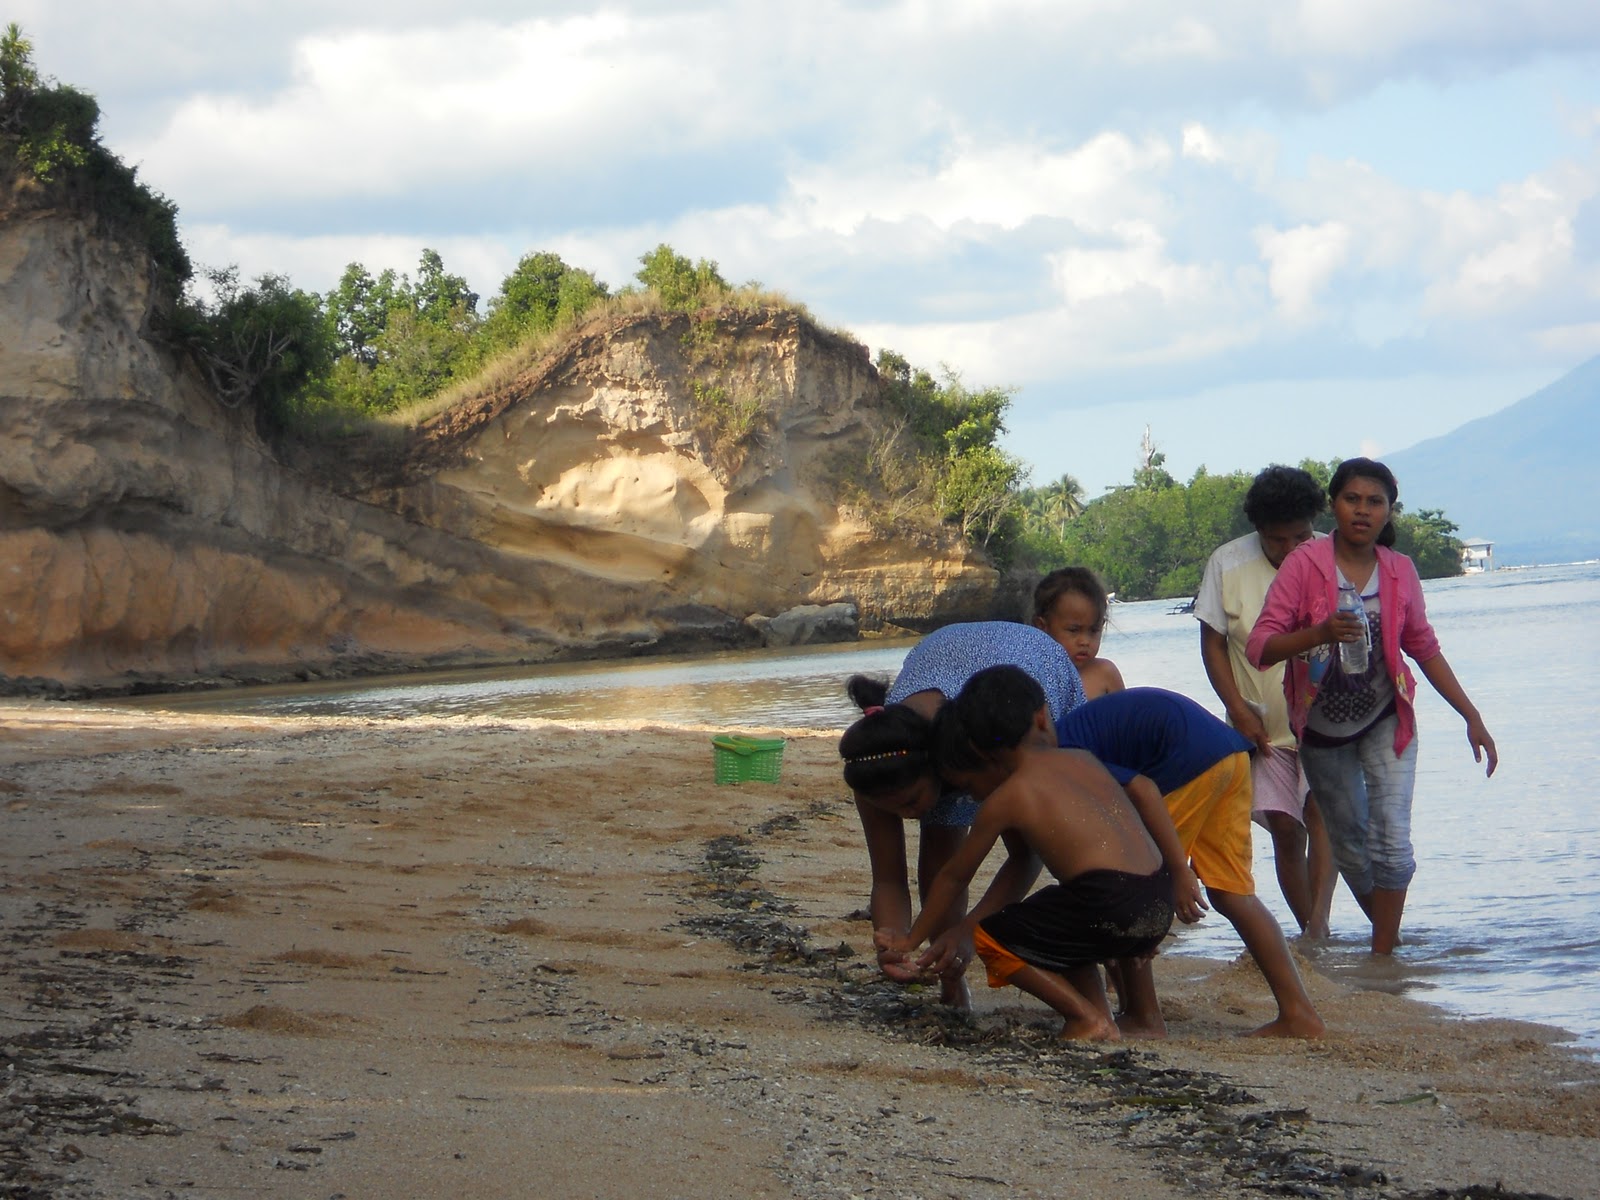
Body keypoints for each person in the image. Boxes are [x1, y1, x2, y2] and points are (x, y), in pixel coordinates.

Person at [1247, 457, 1497, 955]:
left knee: (1393, 840)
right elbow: (1260, 647)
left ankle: (1383, 956)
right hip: (1320, 730)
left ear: (1389, 511)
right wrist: (1318, 634)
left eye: (1375, 502)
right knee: (1351, 848)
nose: (1362, 511)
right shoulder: (1305, 564)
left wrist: (1472, 716)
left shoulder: (1400, 571)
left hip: (1389, 717)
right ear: (1334, 506)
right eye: (1352, 499)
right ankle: (1392, 945)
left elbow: (1423, 646)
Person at [874, 666, 1174, 1041]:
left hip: (1109, 903)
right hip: (1160, 897)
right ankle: (1144, 1019)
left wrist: (911, 938)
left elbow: (955, 874)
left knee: (993, 936)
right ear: (1042, 716)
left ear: (980, 752)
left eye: (968, 786)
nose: (973, 797)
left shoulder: (1009, 796)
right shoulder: (1083, 758)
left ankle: (1086, 1017)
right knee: (1056, 920)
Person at [1054, 687, 1326, 1038]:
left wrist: (1176, 872)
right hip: (1229, 756)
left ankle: (1143, 1017)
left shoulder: (1059, 759)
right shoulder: (1065, 738)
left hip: (1189, 760)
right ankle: (1299, 1013)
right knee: (1233, 892)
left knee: (1132, 885)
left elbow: (1142, 791)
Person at [840, 622, 1086, 1008]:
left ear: (940, 767)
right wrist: (893, 943)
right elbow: (888, 878)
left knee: (1059, 831)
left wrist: (968, 931)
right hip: (943, 656)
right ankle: (950, 983)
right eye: (896, 809)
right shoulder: (876, 760)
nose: (908, 816)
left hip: (1032, 663)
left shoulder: (995, 745)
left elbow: (1026, 856)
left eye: (911, 802)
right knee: (939, 835)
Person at [1195, 465, 1335, 939]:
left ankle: (1319, 929)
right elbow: (1213, 644)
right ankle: (1311, 931)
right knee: (1283, 827)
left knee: (1322, 819)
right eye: (1279, 540)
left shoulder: (1331, 558)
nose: (1293, 549)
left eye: (1302, 536)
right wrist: (1236, 710)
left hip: (1324, 723)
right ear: (1259, 531)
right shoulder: (1227, 564)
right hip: (1259, 724)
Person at [1032, 567, 1126, 699]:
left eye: (1093, 631)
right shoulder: (1033, 677)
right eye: (1073, 630)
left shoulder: (1105, 674)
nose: (1085, 641)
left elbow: (1124, 717)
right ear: (1042, 627)